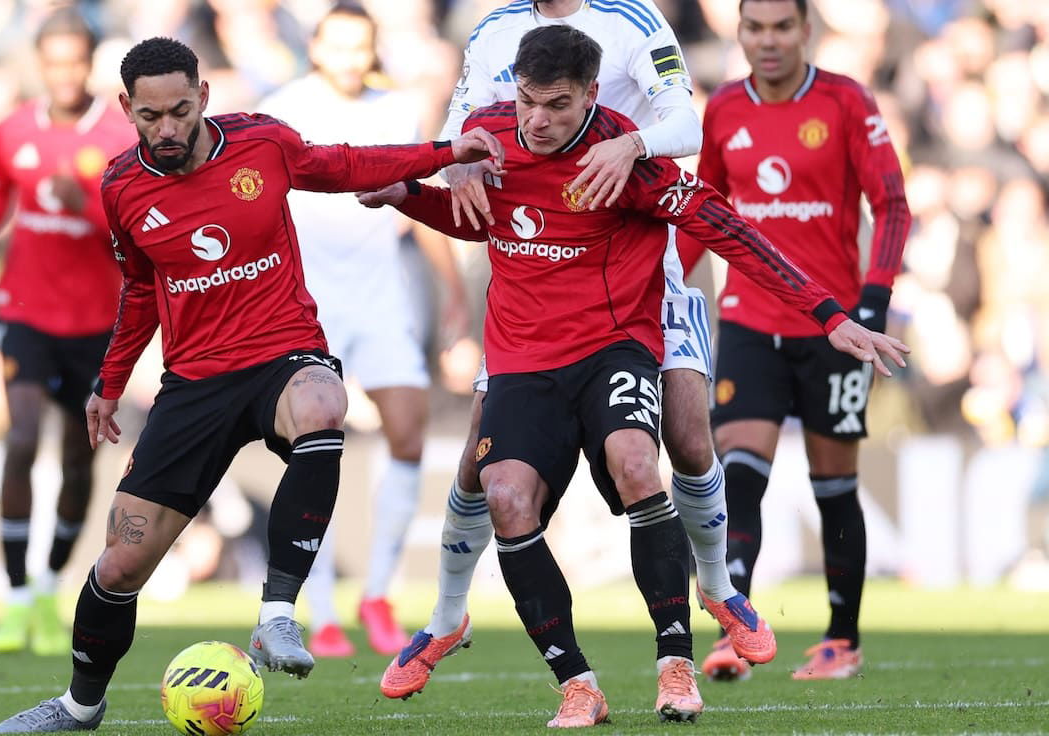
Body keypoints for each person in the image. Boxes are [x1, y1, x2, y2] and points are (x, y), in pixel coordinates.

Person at [359, 24, 908, 727]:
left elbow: (729, 229)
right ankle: (576, 682)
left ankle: (677, 661)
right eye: (528, 101)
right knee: (500, 493)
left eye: (557, 105)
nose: (538, 120)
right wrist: (406, 193)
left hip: (614, 343)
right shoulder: (492, 136)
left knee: (645, 458)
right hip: (525, 356)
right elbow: (491, 219)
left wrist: (830, 314)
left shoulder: (627, 158)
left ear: (592, 93)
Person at [0, 37, 501, 733]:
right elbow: (141, 288)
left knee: (324, 405)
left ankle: (277, 614)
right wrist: (109, 384)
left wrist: (444, 152)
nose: (166, 129)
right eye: (149, 117)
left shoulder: (262, 145)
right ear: (126, 110)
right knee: (119, 565)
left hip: (281, 354)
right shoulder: (121, 188)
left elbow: (345, 164)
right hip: (194, 382)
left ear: (202, 97)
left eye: (178, 111)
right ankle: (79, 706)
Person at [384, 0, 776, 700]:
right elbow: (457, 126)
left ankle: (719, 588)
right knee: (484, 464)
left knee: (685, 437)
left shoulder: (634, 21)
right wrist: (458, 167)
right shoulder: (493, 29)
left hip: (638, 265)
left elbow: (685, 122)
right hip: (536, 270)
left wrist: (633, 144)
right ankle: (446, 616)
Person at [690, 0, 912, 682]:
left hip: (834, 327)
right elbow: (699, 209)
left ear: (806, 31)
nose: (768, 41)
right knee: (740, 477)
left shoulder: (846, 102)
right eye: (754, 28)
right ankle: (739, 628)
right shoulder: (724, 109)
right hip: (751, 320)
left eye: (782, 27)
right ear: (740, 33)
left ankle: (841, 640)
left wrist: (872, 303)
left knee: (833, 483)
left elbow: (893, 204)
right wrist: (666, 293)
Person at [257, 2, 471, 658]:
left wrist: (454, 297)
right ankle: (318, 609)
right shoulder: (284, 108)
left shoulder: (397, 110)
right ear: (316, 47)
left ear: (372, 50)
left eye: (361, 46)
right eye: (338, 45)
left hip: (381, 295)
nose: (349, 58)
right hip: (310, 302)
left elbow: (416, 202)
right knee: (312, 449)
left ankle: (377, 592)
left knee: (408, 434)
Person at [0, 8, 134, 658]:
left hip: (96, 321)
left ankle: (49, 583)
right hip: (25, 313)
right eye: (53, 61)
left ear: (89, 64)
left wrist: (87, 205)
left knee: (77, 456)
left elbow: (137, 234)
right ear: (38, 64)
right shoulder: (10, 133)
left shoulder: (121, 136)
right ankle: (14, 597)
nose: (64, 74)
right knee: (18, 437)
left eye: (75, 61)